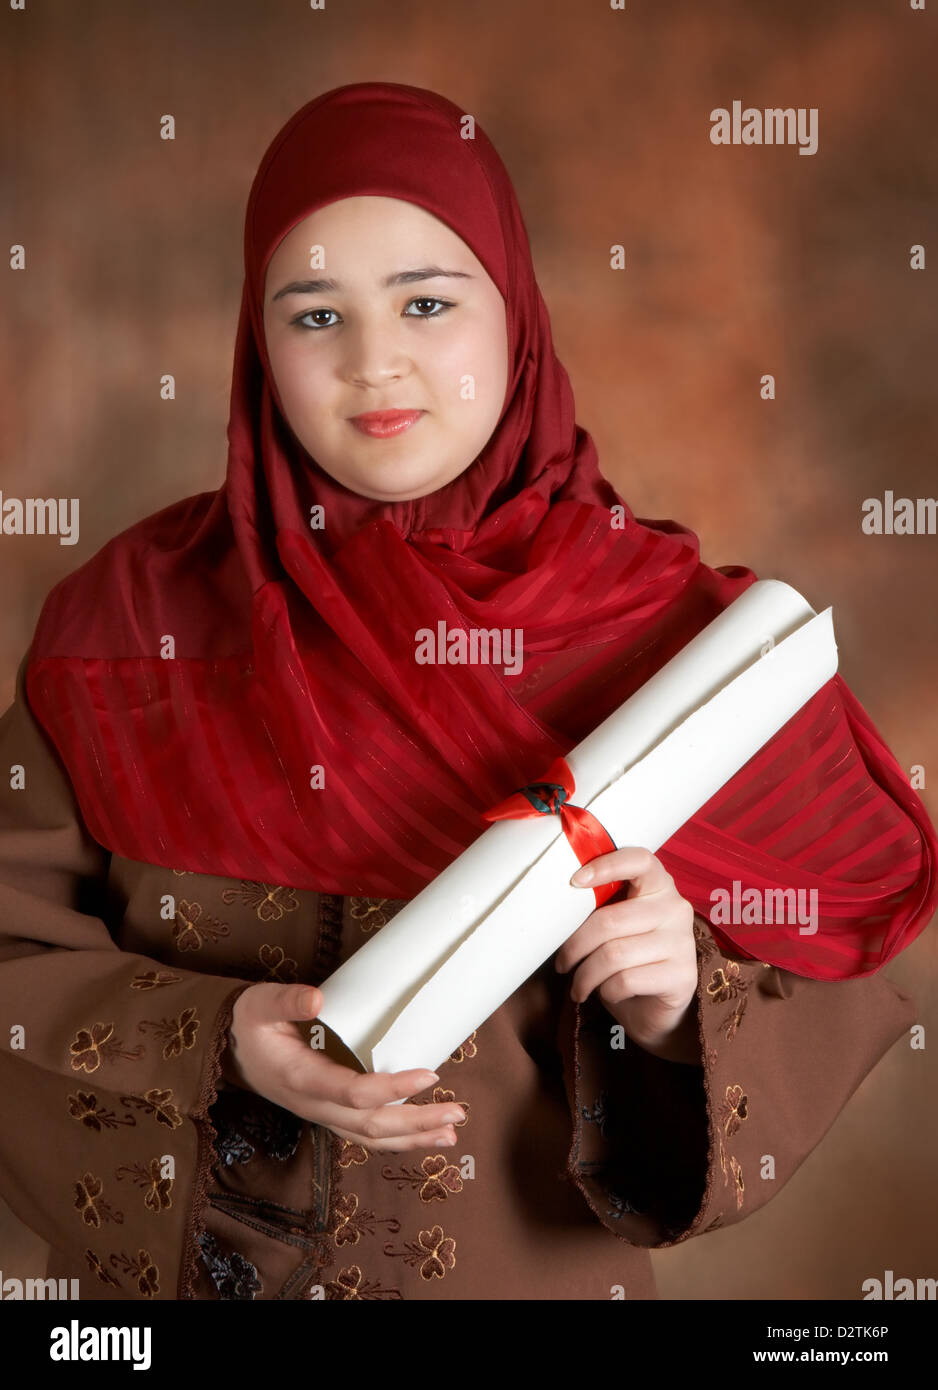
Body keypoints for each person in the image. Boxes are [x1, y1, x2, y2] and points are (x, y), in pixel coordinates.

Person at [0, 81, 934, 1302]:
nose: (373, 363)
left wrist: (668, 999)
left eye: (426, 304)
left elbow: (825, 951)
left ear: (516, 318)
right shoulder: (128, 629)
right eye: (314, 313)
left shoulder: (672, 646)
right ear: (253, 342)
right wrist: (214, 1046)